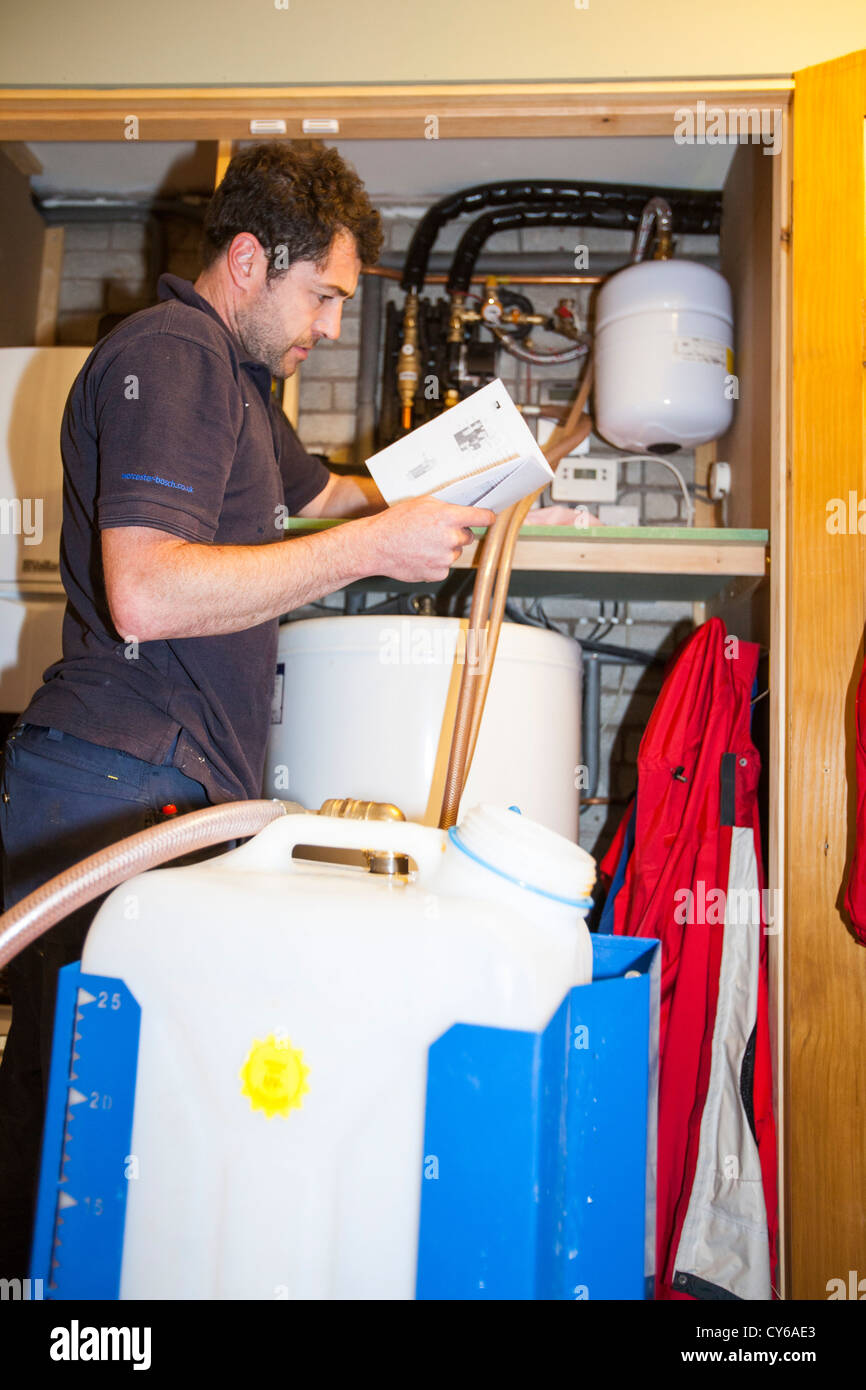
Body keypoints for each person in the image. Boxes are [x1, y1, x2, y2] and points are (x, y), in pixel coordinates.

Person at [0, 142, 494, 1277]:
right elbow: (149, 588)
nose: (329, 326)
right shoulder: (174, 353)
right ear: (244, 260)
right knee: (81, 1130)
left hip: (152, 785)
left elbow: (327, 491)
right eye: (321, 295)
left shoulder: (236, 387)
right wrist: (375, 548)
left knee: (120, 1119)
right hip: (115, 780)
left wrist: (475, 465)